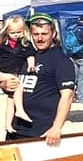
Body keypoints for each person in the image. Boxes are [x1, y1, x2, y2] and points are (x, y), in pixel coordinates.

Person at [6, 13, 75, 145]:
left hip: (42, 130)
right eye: (36, 34)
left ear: (53, 34)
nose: (40, 38)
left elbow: (67, 96)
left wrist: (56, 127)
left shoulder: (61, 60)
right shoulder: (25, 56)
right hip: (16, 128)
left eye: (44, 34)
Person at [0, 15, 35, 132]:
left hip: (15, 73)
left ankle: (8, 124)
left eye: (18, 32)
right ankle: (19, 110)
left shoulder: (25, 44)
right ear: (7, 32)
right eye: (12, 32)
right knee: (18, 85)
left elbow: (30, 55)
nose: (16, 35)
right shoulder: (2, 46)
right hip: (3, 73)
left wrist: (31, 65)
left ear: (23, 30)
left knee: (10, 99)